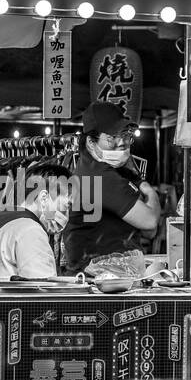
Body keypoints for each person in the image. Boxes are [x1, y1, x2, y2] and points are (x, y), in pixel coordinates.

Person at [64, 102, 161, 272]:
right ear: (91, 142)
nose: (121, 143)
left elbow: (149, 233)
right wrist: (149, 190)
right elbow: (150, 222)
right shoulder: (99, 176)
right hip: (100, 280)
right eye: (111, 138)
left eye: (123, 135)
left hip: (109, 276)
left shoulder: (105, 171)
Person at [0, 164, 72, 282]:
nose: (67, 214)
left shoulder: (4, 222)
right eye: (66, 205)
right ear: (44, 198)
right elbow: (43, 291)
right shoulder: (30, 231)